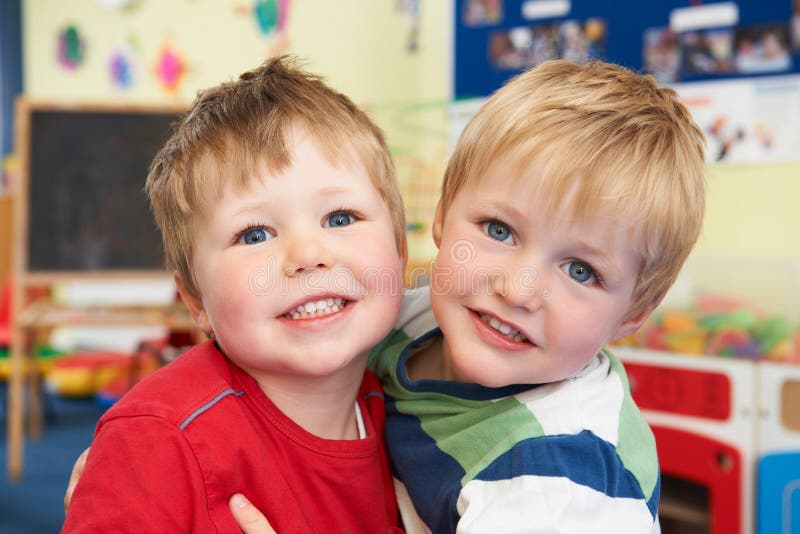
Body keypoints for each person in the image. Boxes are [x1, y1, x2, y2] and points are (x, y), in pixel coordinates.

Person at [222, 59, 706, 533]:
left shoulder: (560, 483)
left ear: (635, 313)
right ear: (443, 212)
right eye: (499, 230)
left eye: (580, 271)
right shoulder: (409, 316)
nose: (517, 291)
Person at [61, 55, 408, 533]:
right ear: (196, 300)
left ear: (401, 251)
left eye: (341, 218)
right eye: (254, 234)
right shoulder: (154, 442)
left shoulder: (413, 412)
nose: (307, 253)